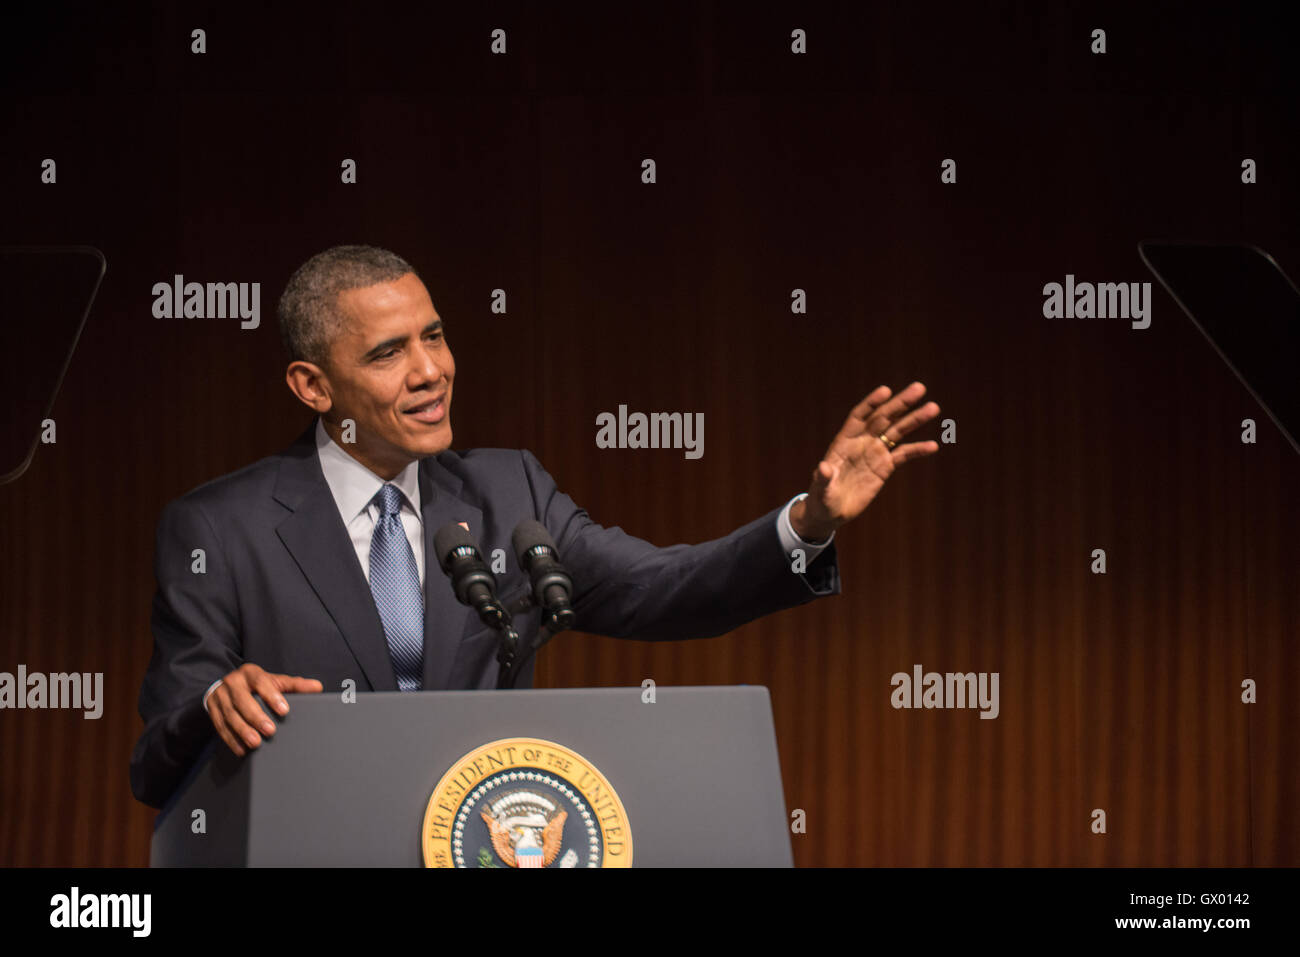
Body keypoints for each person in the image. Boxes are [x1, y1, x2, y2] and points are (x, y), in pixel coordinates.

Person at [129, 245, 941, 809]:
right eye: (387, 353)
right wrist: (215, 706)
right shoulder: (219, 526)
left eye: (435, 335)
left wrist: (806, 521)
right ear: (313, 385)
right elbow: (159, 752)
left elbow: (663, 589)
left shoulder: (504, 489)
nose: (430, 371)